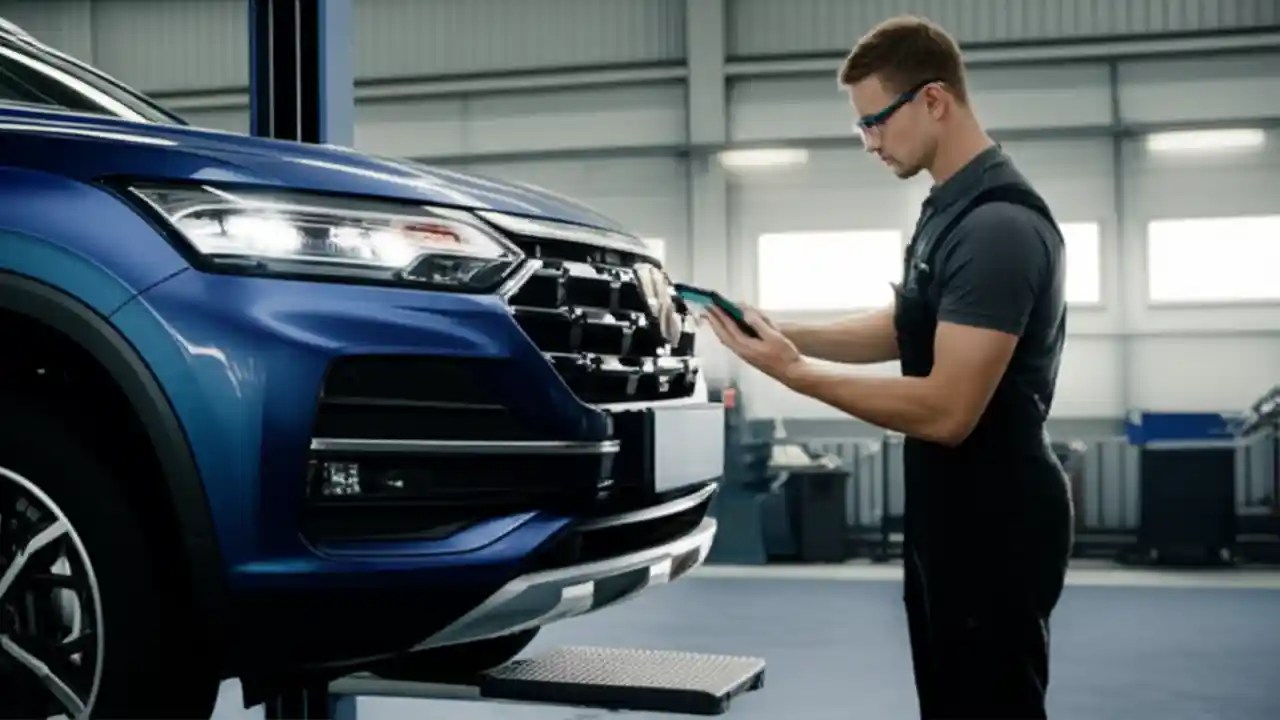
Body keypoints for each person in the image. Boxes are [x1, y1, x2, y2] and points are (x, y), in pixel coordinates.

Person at [700, 14, 1074, 720]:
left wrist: (794, 372)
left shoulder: (998, 227)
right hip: (949, 509)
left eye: (875, 122)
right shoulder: (948, 210)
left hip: (997, 517)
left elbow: (947, 410)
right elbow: (908, 327)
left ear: (933, 100)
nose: (870, 142)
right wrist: (779, 330)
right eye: (861, 127)